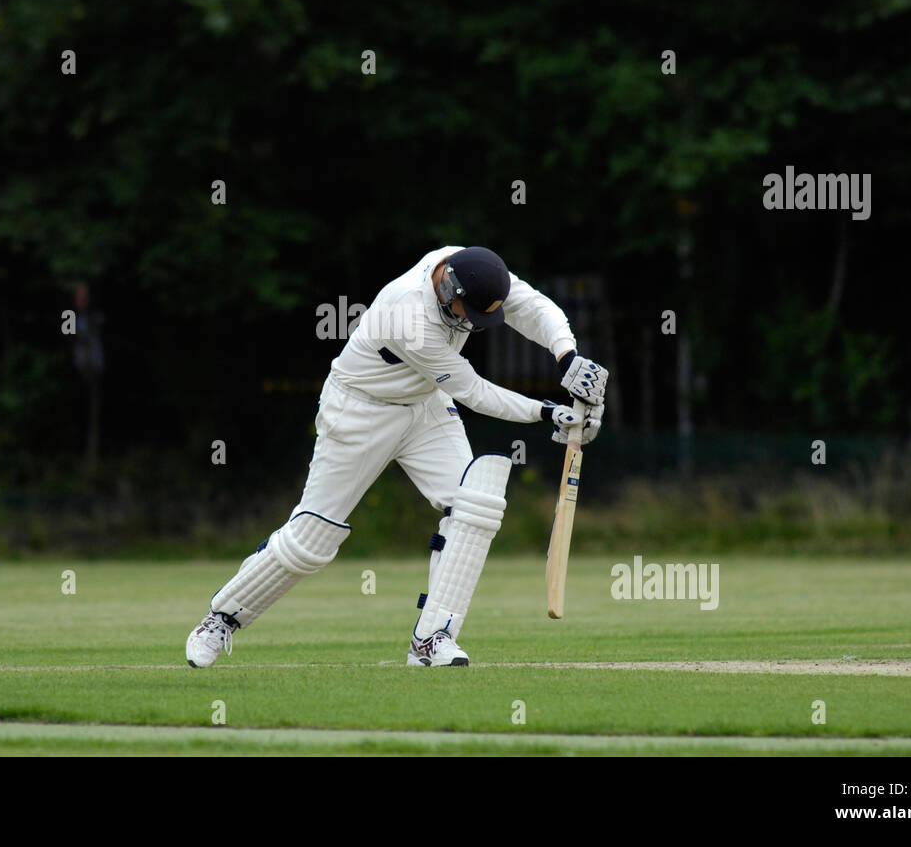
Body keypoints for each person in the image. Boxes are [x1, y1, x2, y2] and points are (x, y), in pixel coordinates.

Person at [185, 245, 608, 667]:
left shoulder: (475, 270)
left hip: (425, 406)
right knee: (312, 541)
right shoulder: (409, 317)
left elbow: (533, 308)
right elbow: (474, 391)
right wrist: (550, 412)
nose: (467, 323)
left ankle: (432, 639)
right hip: (360, 410)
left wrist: (567, 357)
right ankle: (220, 618)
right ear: (448, 288)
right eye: (465, 312)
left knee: (474, 505)